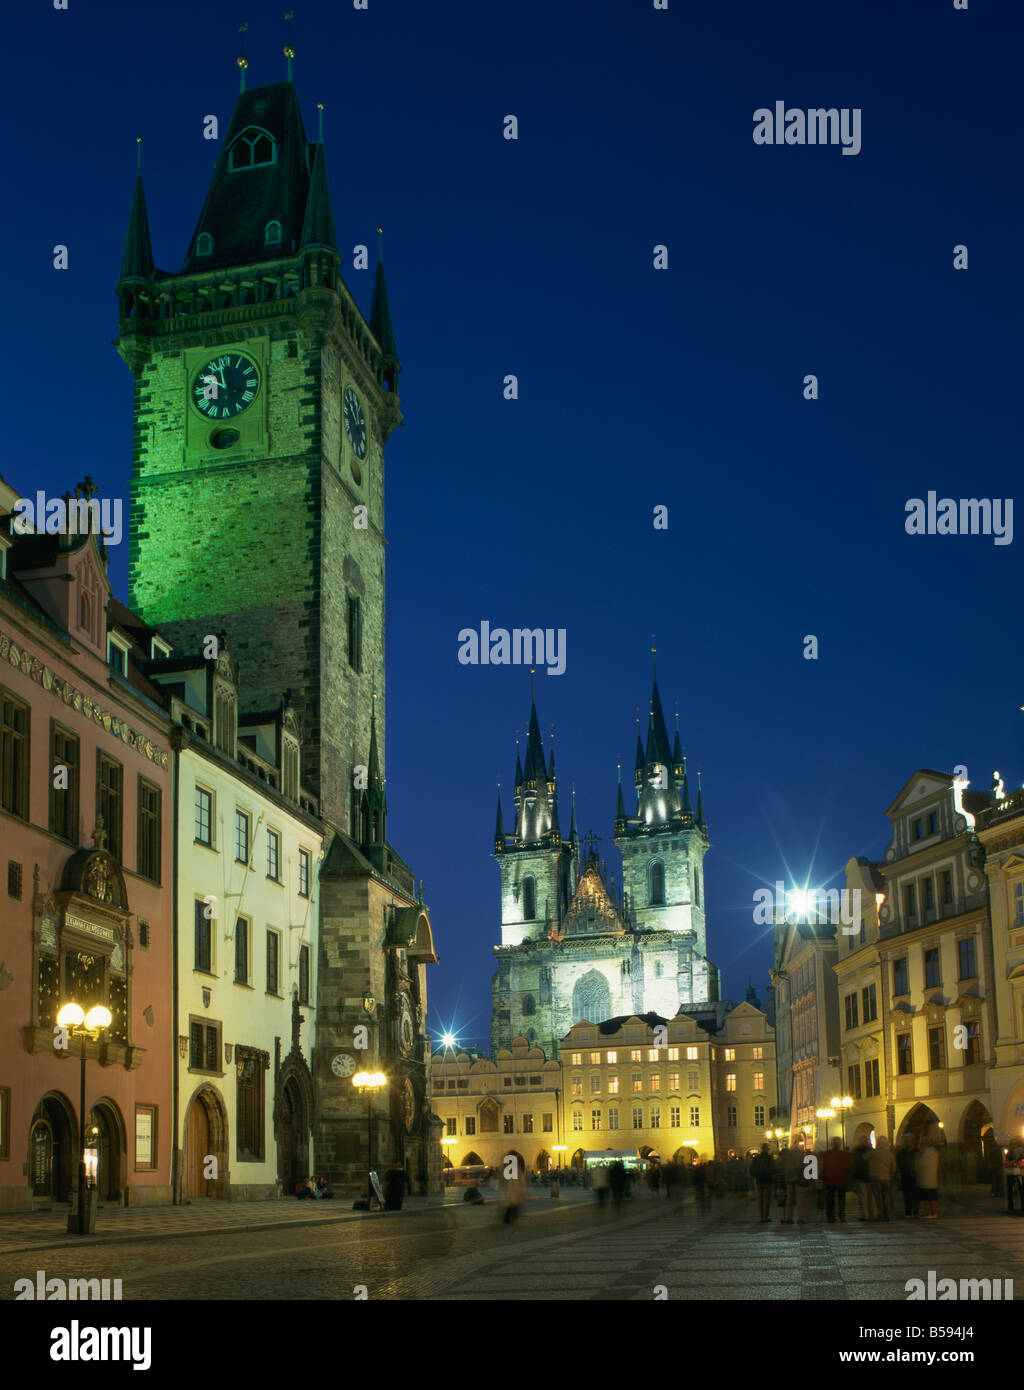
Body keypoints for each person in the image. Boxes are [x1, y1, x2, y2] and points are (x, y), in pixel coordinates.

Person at [869, 1135, 896, 1221]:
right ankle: (887, 1214)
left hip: (875, 1178)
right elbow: (894, 1167)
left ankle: (880, 1215)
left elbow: (864, 1157)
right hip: (886, 1178)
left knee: (878, 1198)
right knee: (886, 1197)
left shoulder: (874, 1152)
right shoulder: (890, 1153)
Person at [823, 1138, 848, 1223]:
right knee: (841, 1199)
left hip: (830, 1180)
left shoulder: (827, 1154)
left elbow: (824, 1166)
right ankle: (842, 1215)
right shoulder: (844, 1154)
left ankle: (830, 1216)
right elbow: (846, 1166)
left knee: (830, 1199)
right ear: (840, 1144)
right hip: (841, 1179)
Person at [915, 1137, 940, 1219]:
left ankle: (933, 1213)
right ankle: (931, 1212)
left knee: (930, 1197)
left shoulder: (927, 1153)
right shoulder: (934, 1152)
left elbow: (921, 1164)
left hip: (926, 1179)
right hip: (930, 1179)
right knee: (931, 1197)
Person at [852, 1137, 876, 1220]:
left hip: (861, 1176)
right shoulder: (872, 1151)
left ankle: (865, 1215)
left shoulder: (858, 1152)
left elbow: (856, 1164)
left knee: (863, 1197)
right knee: (871, 1197)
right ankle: (873, 1214)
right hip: (870, 1176)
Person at [750, 1143, 775, 1223]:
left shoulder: (757, 1157)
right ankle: (765, 1217)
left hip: (758, 1181)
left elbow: (751, 1169)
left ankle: (761, 1217)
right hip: (768, 1181)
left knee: (760, 1200)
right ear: (767, 1149)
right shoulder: (770, 1158)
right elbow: (774, 1169)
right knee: (766, 1200)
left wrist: (755, 1176)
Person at [897, 1134, 919, 1219]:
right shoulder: (901, 1152)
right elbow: (899, 1163)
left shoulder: (917, 1151)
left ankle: (915, 1211)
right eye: (906, 1141)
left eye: (910, 1140)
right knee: (906, 1195)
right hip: (905, 1175)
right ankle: (908, 1211)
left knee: (915, 1194)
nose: (908, 1142)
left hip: (915, 1175)